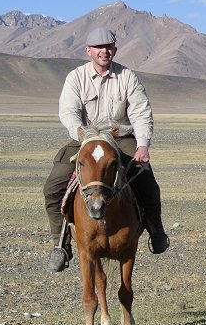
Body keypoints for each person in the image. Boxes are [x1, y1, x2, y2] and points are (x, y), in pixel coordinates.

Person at [43, 27, 169, 272]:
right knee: (52, 188)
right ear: (88, 50)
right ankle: (61, 244)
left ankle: (156, 231)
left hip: (119, 137)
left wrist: (142, 144)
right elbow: (68, 112)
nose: (104, 51)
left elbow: (141, 112)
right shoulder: (76, 78)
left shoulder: (127, 77)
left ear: (115, 50)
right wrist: (81, 133)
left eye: (109, 47)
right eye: (99, 47)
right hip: (86, 138)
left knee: (148, 184)